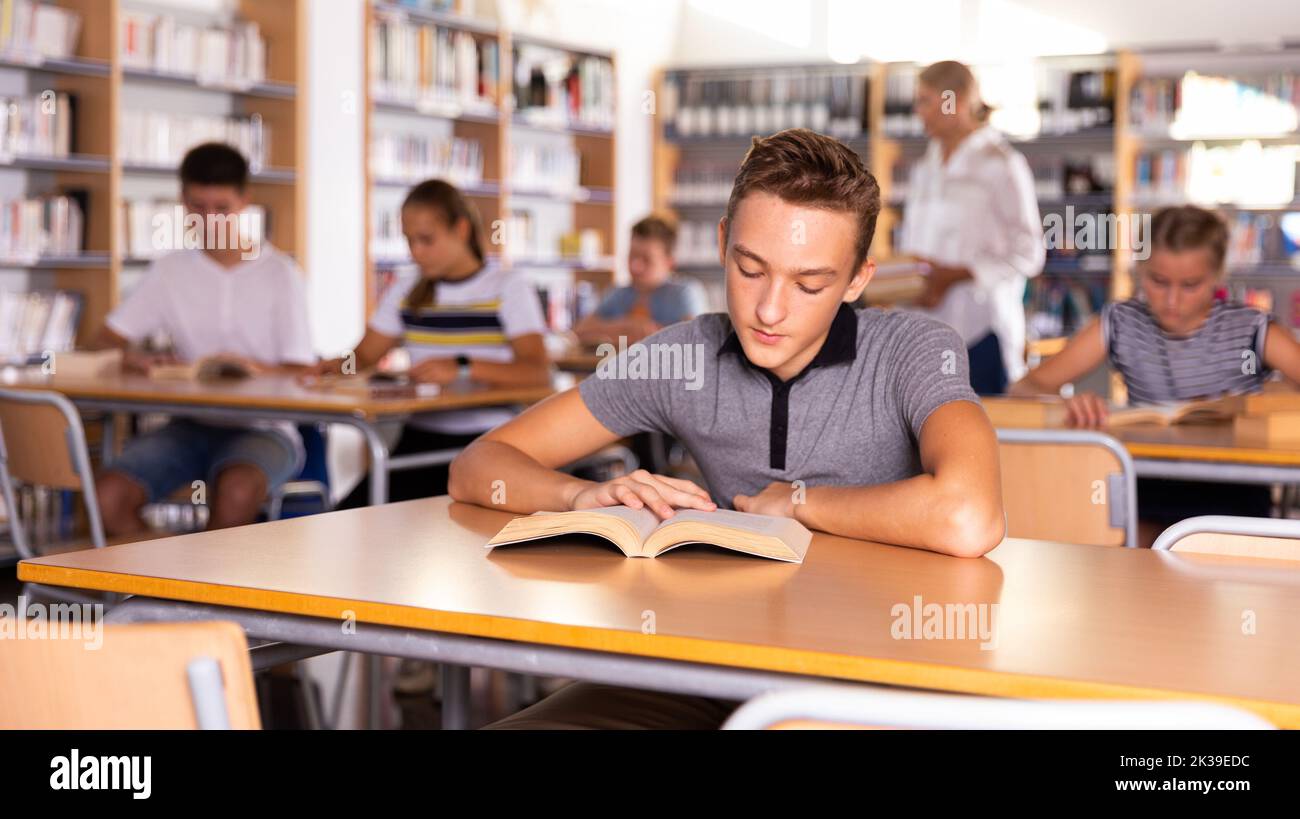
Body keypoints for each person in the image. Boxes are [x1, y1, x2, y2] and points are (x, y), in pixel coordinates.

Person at [450, 128, 1005, 729]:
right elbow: (478, 465)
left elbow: (968, 515)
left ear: (856, 281)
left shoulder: (915, 349)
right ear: (721, 243)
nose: (768, 310)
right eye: (749, 269)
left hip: (873, 679)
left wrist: (795, 503)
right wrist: (582, 495)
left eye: (809, 284)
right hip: (708, 669)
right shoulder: (681, 356)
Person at [1011, 204, 1300, 544]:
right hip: (1147, 489)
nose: (1172, 300)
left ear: (1218, 275)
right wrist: (1066, 406)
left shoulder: (1251, 328)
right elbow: (1024, 387)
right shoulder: (1120, 321)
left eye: (1191, 285)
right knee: (1120, 556)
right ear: (1140, 268)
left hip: (1235, 497)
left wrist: (1278, 399)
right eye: (1158, 282)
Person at [94, 142, 315, 536]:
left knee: (235, 490)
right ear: (182, 202)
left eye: (222, 208)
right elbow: (102, 341)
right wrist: (134, 359)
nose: (210, 220)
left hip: (264, 428)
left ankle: (201, 595)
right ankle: (162, 592)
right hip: (189, 424)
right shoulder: (169, 272)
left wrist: (251, 369)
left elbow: (301, 369)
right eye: (198, 207)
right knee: (108, 495)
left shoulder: (281, 274)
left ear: (245, 202)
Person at [303, 179, 550, 507]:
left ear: (461, 230)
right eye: (408, 240)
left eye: (426, 240)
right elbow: (363, 357)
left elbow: (537, 373)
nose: (415, 251)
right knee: (344, 519)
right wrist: (336, 366)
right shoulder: (407, 289)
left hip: (489, 442)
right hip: (420, 440)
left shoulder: (507, 285)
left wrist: (462, 367)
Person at [898, 60, 1045, 395]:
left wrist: (953, 276)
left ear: (955, 101)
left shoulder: (1002, 164)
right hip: (923, 333)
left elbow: (1029, 253)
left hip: (980, 336)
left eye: (926, 101)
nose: (918, 111)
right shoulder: (925, 167)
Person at [574, 215, 708, 346]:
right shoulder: (619, 293)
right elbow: (580, 332)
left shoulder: (684, 293)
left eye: (646, 259)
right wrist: (625, 326)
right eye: (632, 256)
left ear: (669, 263)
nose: (635, 266)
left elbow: (698, 340)